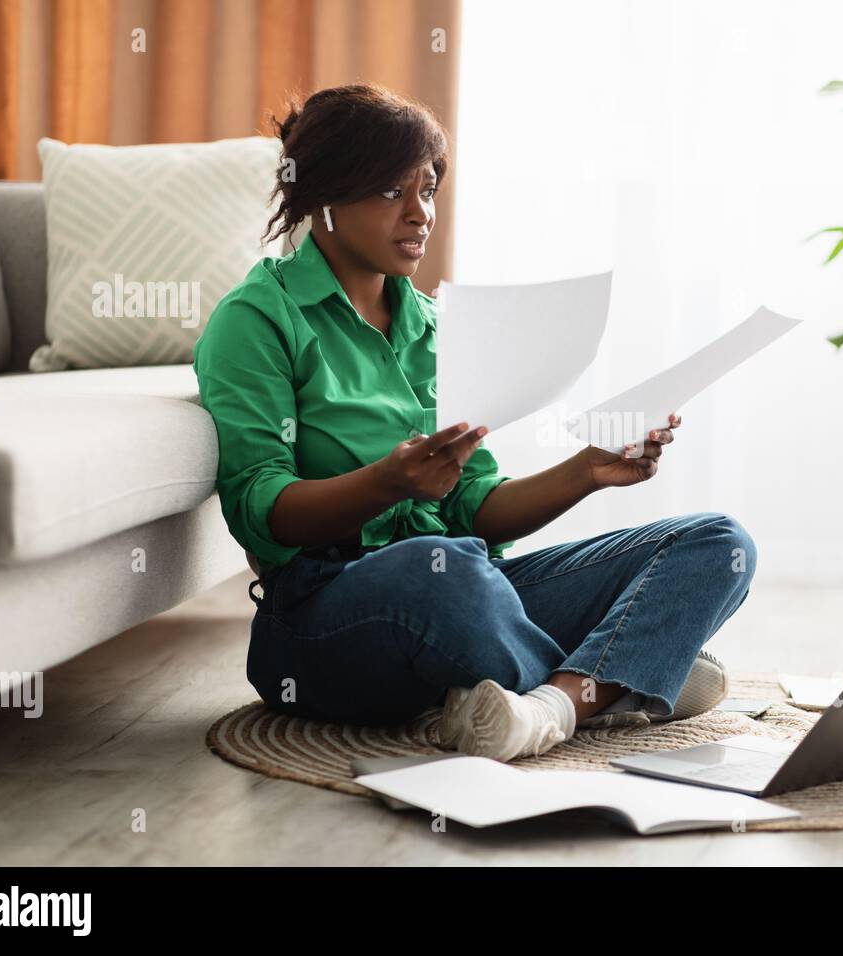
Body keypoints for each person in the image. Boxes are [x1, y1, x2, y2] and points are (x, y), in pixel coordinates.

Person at [191, 83, 757, 763]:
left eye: (427, 190)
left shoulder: (435, 326)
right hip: (326, 614)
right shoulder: (257, 320)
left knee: (717, 544)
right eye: (391, 192)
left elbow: (478, 509)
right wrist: (388, 483)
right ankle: (619, 680)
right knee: (448, 572)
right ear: (326, 196)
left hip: (472, 589)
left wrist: (587, 471)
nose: (420, 213)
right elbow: (260, 512)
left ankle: (549, 706)